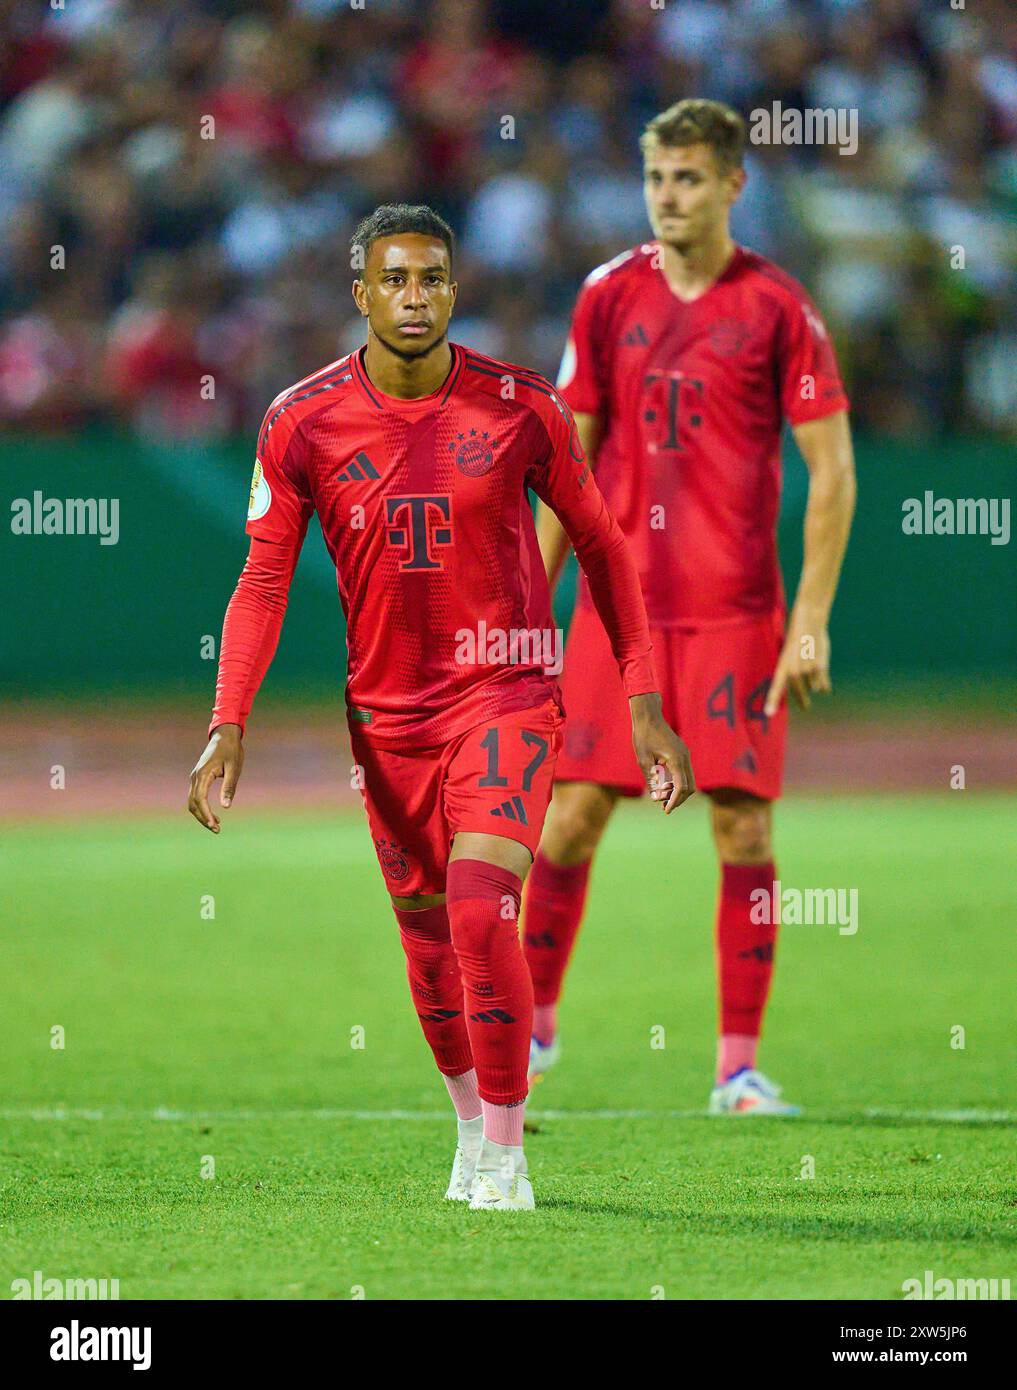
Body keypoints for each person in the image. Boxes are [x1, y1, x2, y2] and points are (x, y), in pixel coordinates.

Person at [187, 203, 694, 1209]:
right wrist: (227, 718)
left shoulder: (521, 406)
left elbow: (603, 547)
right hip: (385, 721)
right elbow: (261, 581)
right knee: (426, 947)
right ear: (361, 293)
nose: (414, 297)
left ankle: (508, 1150)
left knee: (478, 910)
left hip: (506, 690)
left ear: (454, 290)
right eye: (395, 279)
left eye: (431, 278)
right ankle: (470, 1127)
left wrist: (642, 698)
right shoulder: (299, 421)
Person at [522, 101, 856, 1115]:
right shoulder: (605, 295)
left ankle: (736, 1067)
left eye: (690, 179)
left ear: (733, 185)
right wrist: (529, 605)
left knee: (745, 833)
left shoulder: (777, 308)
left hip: (735, 618)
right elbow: (566, 459)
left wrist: (809, 618)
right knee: (570, 819)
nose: (669, 196)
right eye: (656, 178)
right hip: (619, 616)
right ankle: (529, 1033)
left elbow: (833, 471)